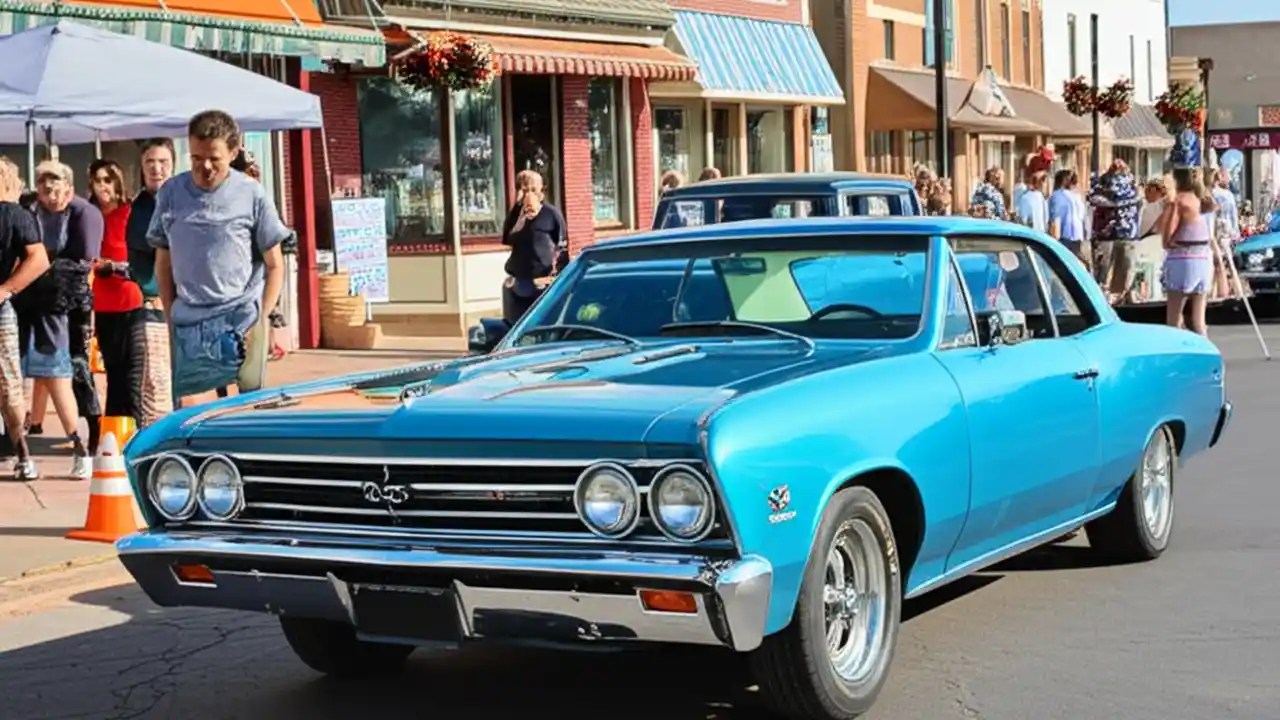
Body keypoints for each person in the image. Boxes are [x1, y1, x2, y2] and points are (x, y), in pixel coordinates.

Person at [148, 110, 290, 407]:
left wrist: (261, 319)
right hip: (190, 319)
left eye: (214, 158)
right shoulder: (171, 193)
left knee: (247, 413)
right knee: (190, 413)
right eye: (197, 159)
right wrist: (171, 313)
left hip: (241, 318)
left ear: (233, 151)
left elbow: (275, 264)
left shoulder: (252, 194)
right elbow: (164, 262)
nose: (205, 167)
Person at [14, 160, 101, 479]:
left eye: (55, 188)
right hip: (25, 299)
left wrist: (39, 267)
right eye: (43, 188)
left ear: (69, 188)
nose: (49, 194)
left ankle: (81, 446)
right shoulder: (26, 209)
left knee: (59, 373)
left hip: (64, 304)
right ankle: (21, 441)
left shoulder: (83, 214)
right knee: (17, 374)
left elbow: (83, 261)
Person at [0, 157, 50, 480]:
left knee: (8, 384)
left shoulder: (14, 215)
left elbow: (39, 258)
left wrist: (5, 290)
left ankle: (23, 453)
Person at [87, 159, 144, 427]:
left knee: (132, 373)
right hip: (103, 304)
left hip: (131, 302)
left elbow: (141, 261)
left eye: (107, 180)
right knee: (113, 372)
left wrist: (114, 267)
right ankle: (115, 430)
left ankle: (134, 427)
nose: (102, 186)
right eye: (97, 181)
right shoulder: (90, 216)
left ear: (117, 183)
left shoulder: (129, 213)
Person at [126, 138, 176, 427]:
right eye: (150, 162)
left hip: (185, 304)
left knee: (185, 378)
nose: (157, 169)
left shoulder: (183, 202)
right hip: (150, 302)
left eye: (163, 162)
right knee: (153, 380)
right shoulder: (137, 208)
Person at [500, 169, 566, 325]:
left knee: (543, 322)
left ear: (541, 190)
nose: (530, 194)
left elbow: (562, 246)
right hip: (520, 279)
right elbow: (507, 239)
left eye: (533, 189)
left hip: (543, 279)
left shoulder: (551, 213)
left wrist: (556, 274)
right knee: (516, 323)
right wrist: (521, 219)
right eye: (525, 190)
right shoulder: (515, 215)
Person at [1160, 168, 1217, 336]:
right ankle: (1206, 357)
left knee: (1174, 320)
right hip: (1204, 257)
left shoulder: (1178, 201)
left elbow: (1167, 237)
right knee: (1199, 321)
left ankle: (1175, 357)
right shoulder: (1204, 200)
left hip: (1183, 257)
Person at [1088, 160, 1142, 302]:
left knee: (1122, 272)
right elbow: (1093, 197)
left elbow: (1136, 194)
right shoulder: (1103, 183)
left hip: (1123, 234)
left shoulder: (1130, 184)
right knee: (1106, 274)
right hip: (1109, 234)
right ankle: (1110, 299)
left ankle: (1119, 298)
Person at [1049, 169, 1089, 265]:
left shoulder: (1057, 195)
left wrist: (1054, 242)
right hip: (1078, 237)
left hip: (1064, 237)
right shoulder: (1077, 197)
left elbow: (1056, 220)